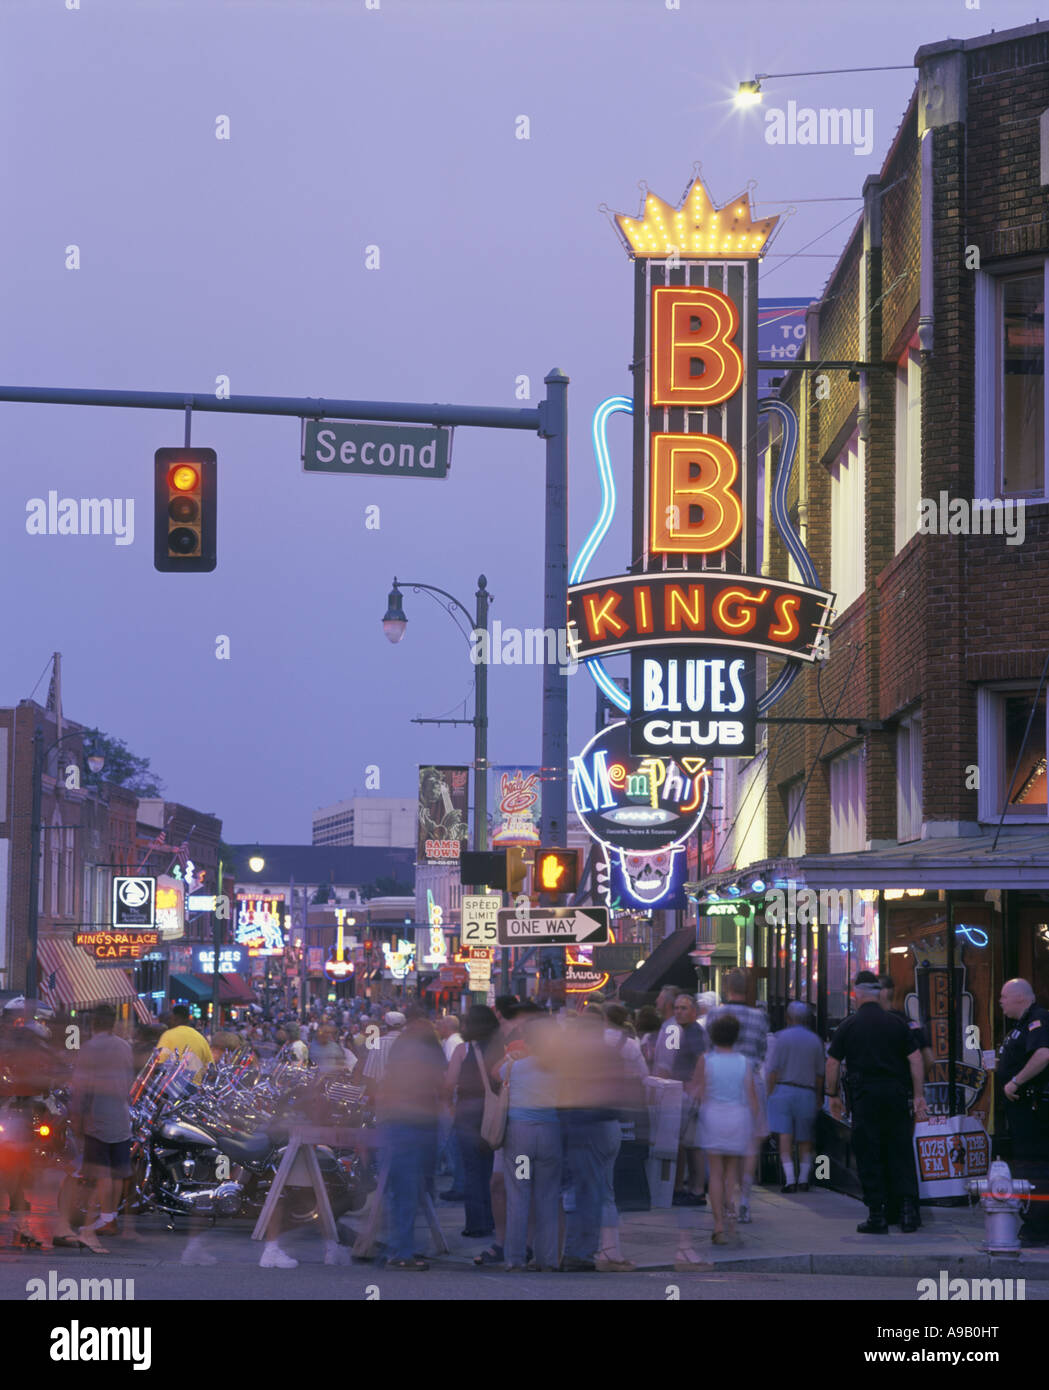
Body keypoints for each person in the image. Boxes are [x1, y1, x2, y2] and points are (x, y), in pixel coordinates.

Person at [826, 970, 928, 1233]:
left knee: (869, 1154)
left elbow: (833, 1063)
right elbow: (916, 1058)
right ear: (878, 994)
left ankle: (877, 1215)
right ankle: (907, 1212)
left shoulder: (848, 1025)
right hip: (895, 1095)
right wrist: (918, 1095)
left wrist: (833, 1095)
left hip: (865, 1098)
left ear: (857, 996)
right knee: (900, 1150)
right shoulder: (896, 1023)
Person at [376, 1015, 446, 1269]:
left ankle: (403, 1247)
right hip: (421, 1124)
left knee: (403, 1190)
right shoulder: (429, 1049)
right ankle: (405, 1249)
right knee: (418, 1188)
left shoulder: (402, 1048)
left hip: (402, 1124)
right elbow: (443, 1084)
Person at [64, 1005, 134, 1254]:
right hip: (121, 1115)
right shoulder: (125, 1046)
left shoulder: (90, 1049)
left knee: (103, 1171)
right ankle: (110, 1216)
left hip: (98, 1116)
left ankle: (107, 1219)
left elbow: (81, 1088)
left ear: (94, 1023)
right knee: (116, 1171)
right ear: (113, 1023)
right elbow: (130, 1081)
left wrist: (77, 1118)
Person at [689, 1011, 759, 1252]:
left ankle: (718, 1225)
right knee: (732, 1175)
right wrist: (754, 1125)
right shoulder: (744, 1062)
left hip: (714, 1116)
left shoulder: (706, 1060)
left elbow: (697, 1092)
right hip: (738, 1116)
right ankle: (732, 1225)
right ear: (736, 1037)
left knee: (716, 1173)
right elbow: (752, 1097)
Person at [498, 1012, 561, 1271]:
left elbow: (496, 1077)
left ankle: (514, 1258)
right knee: (547, 1197)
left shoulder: (514, 1067)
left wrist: (512, 1057)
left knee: (519, 1195)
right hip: (550, 1134)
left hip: (521, 1136)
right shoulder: (559, 1067)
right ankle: (547, 1258)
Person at [708, 971, 769, 1223]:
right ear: (748, 989)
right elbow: (763, 1050)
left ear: (726, 987)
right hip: (751, 1078)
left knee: (720, 1147)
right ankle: (744, 1199)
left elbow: (707, 1047)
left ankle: (724, 1201)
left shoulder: (715, 1014)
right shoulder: (760, 1017)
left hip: (721, 1078)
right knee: (750, 1144)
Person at [445, 1006, 504, 1253]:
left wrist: (450, 1107)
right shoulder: (501, 1048)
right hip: (494, 1111)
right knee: (495, 1169)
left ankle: (477, 1223)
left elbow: (449, 1083)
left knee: (472, 1170)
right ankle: (496, 1219)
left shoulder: (463, 1049)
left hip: (468, 1110)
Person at [997, 978, 1049, 1247]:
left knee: (1036, 1169)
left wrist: (1016, 1081)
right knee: (1029, 1167)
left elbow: (1043, 1054)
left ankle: (1038, 1228)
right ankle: (1035, 1223)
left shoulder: (1038, 1019)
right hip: (1023, 1115)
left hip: (1035, 1113)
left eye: (1004, 997)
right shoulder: (1019, 1026)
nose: (1000, 1002)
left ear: (1020, 997)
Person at [654, 993, 708, 1206]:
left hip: (684, 1094)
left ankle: (690, 1189)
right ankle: (689, 1188)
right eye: (676, 1008)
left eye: (683, 1008)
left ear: (694, 1011)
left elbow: (701, 1058)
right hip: (679, 1092)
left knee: (688, 1144)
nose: (679, 1012)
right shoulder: (679, 1030)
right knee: (688, 1143)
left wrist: (696, 1086)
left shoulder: (693, 1031)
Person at [765, 1002, 825, 1192]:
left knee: (785, 1135)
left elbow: (773, 1070)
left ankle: (789, 1179)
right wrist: (818, 1096)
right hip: (807, 1092)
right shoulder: (815, 1040)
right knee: (805, 1137)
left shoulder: (780, 1038)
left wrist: (769, 1092)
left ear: (788, 1018)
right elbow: (819, 1075)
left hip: (783, 1090)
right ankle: (804, 1178)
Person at [157, 1005, 213, 1075]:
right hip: (196, 1085)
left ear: (175, 1018)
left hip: (171, 1083)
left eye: (170, 1019)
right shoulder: (201, 1038)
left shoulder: (168, 1035)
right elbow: (211, 1068)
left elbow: (158, 1063)